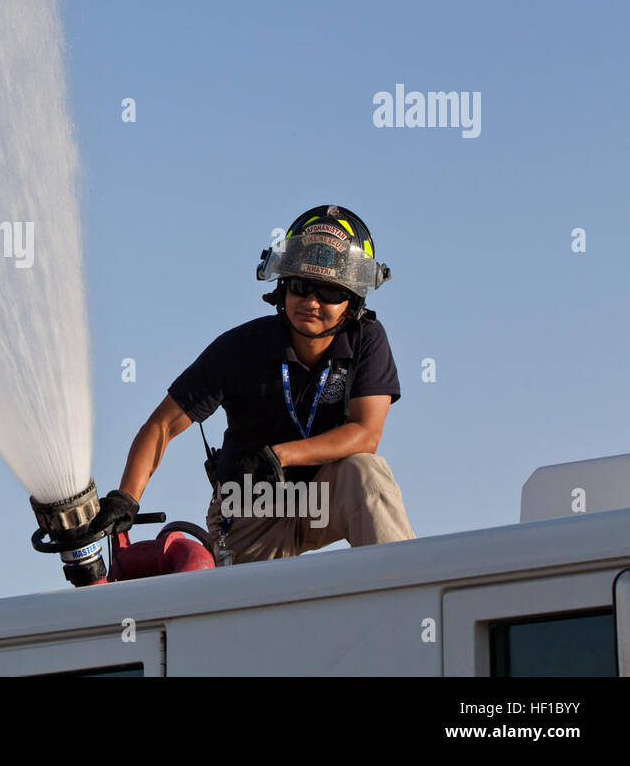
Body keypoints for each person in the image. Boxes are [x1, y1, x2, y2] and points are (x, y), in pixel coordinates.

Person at [95, 205, 415, 564]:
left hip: (319, 503)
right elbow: (162, 424)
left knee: (366, 472)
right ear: (282, 288)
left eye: (328, 292)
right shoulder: (240, 347)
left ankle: (402, 590)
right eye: (300, 285)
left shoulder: (366, 340)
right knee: (254, 612)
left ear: (352, 302)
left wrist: (279, 456)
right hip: (248, 507)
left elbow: (366, 433)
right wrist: (126, 497)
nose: (311, 301)